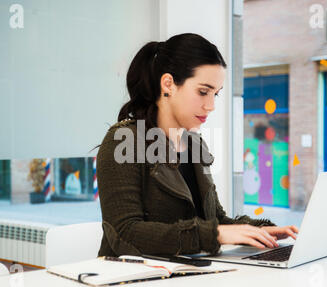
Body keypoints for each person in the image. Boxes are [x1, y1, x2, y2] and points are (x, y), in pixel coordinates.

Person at [95, 33, 298, 257]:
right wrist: (216, 234)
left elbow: (214, 221)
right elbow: (126, 233)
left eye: (215, 94)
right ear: (168, 84)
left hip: (186, 274)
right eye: (203, 92)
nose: (210, 105)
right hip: (134, 283)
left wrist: (256, 231)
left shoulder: (193, 143)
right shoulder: (123, 140)